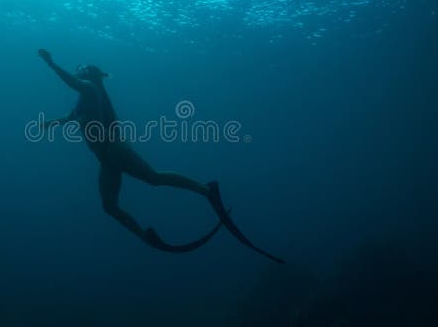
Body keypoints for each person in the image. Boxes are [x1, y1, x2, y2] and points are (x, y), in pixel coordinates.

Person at [37, 49, 285, 262]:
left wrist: (51, 64)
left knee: (153, 178)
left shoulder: (91, 88)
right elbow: (71, 116)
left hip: (114, 148)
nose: (78, 70)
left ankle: (205, 190)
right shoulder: (83, 100)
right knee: (109, 206)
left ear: (90, 74)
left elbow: (72, 82)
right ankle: (145, 237)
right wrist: (51, 123)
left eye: (82, 68)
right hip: (104, 159)